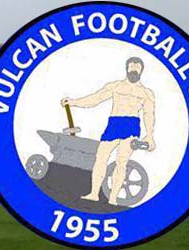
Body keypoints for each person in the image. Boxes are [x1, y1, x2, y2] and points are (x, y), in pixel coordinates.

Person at [61, 57, 155, 206]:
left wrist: (150, 136)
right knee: (101, 157)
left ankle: (113, 199)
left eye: (137, 69)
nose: (134, 72)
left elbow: (149, 114)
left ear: (141, 71)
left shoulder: (146, 93)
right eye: (131, 69)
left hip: (131, 125)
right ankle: (94, 194)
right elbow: (96, 98)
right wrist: (73, 102)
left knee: (121, 162)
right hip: (114, 124)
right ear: (127, 69)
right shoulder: (116, 86)